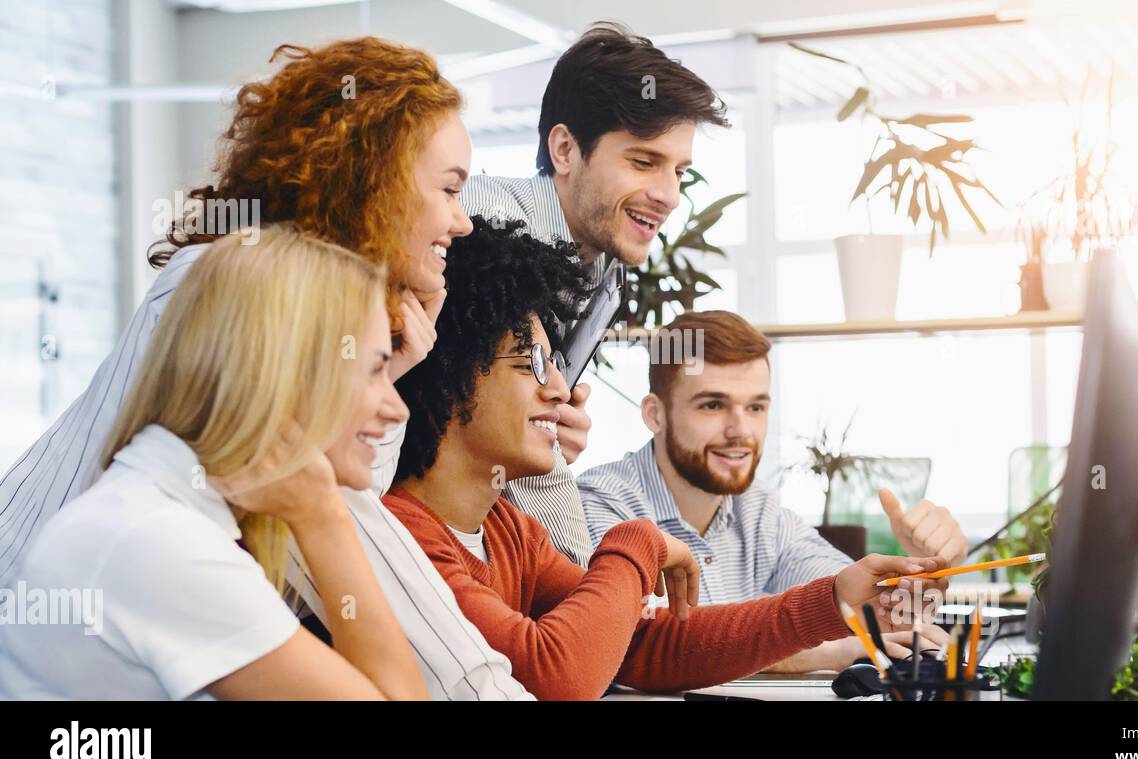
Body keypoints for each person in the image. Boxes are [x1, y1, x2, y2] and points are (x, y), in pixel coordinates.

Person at [0, 37, 532, 699]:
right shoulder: (230, 290)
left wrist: (388, 366)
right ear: (377, 180)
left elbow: (344, 487)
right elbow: (344, 517)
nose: (462, 222)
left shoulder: (304, 315)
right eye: (450, 189)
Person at [380, 218, 949, 699]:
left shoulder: (508, 531)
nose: (560, 389)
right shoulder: (404, 532)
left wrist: (833, 599)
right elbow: (557, 670)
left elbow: (643, 644)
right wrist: (638, 539)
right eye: (532, 363)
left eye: (554, 363)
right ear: (454, 378)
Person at [0, 228, 428, 700]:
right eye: (373, 370)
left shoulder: (164, 513)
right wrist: (324, 515)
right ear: (283, 376)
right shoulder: (163, 542)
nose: (397, 407)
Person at [460, 22, 730, 567]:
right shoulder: (478, 223)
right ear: (565, 149)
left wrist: (544, 436)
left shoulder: (598, 271)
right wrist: (588, 589)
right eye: (643, 161)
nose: (669, 196)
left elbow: (518, 443)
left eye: (679, 171)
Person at [577, 310, 969, 672]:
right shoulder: (601, 505)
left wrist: (917, 572)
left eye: (756, 407)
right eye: (713, 405)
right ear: (655, 414)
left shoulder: (759, 508)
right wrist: (833, 650)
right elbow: (645, 645)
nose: (740, 431)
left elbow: (850, 597)